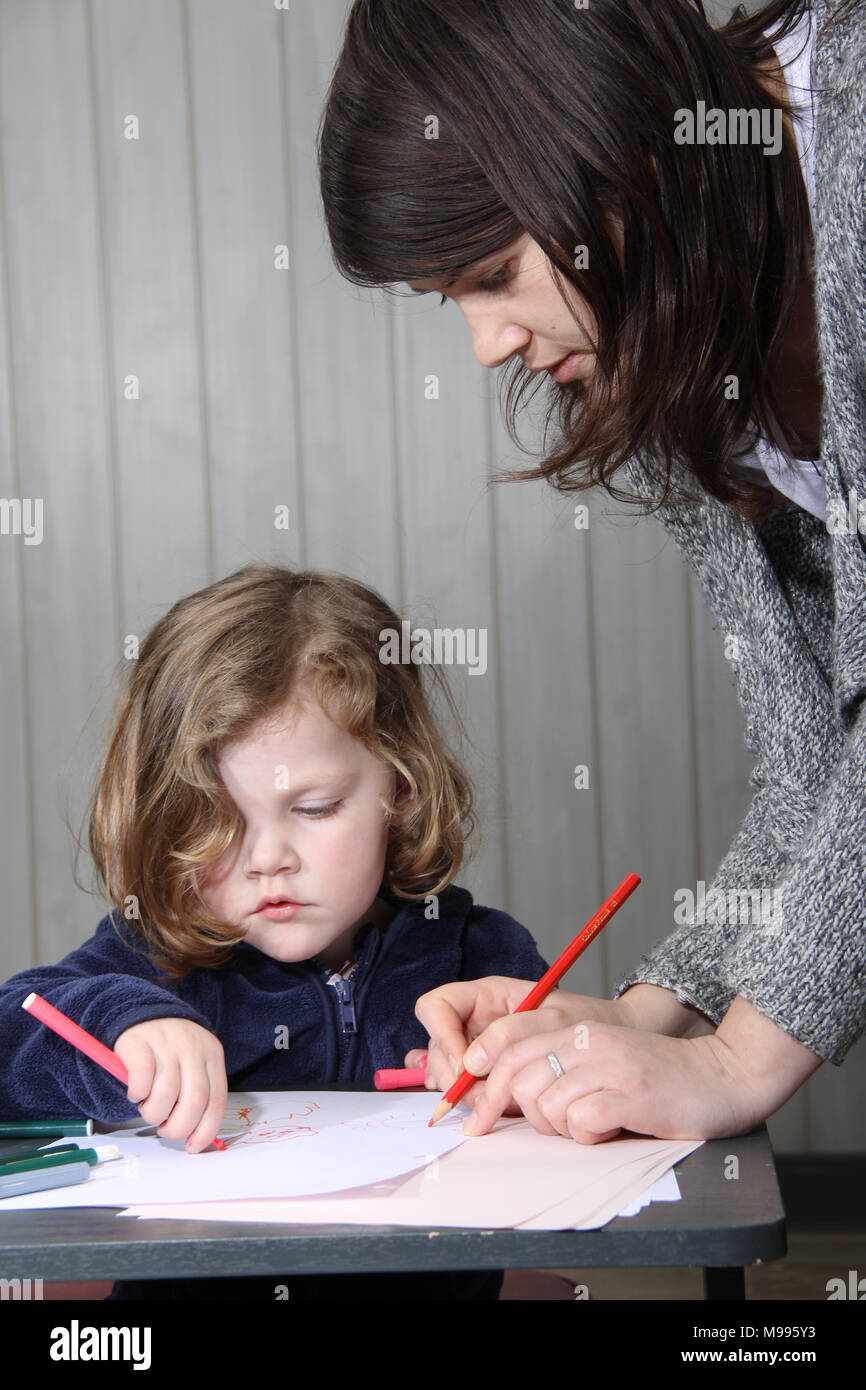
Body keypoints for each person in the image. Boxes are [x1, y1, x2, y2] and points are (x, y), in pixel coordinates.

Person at [317, 0, 866, 1144]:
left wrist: (736, 1060)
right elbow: (811, 770)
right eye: (447, 302)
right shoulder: (660, 336)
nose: (485, 346)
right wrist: (643, 1014)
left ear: (606, 135)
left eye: (489, 272)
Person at [0, 563, 548, 1299]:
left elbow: (570, 1120)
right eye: (217, 822)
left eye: (315, 807)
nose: (267, 859)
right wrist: (127, 1026)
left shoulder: (482, 958)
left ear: (403, 787)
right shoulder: (156, 960)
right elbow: (15, 1035)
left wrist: (516, 1083)